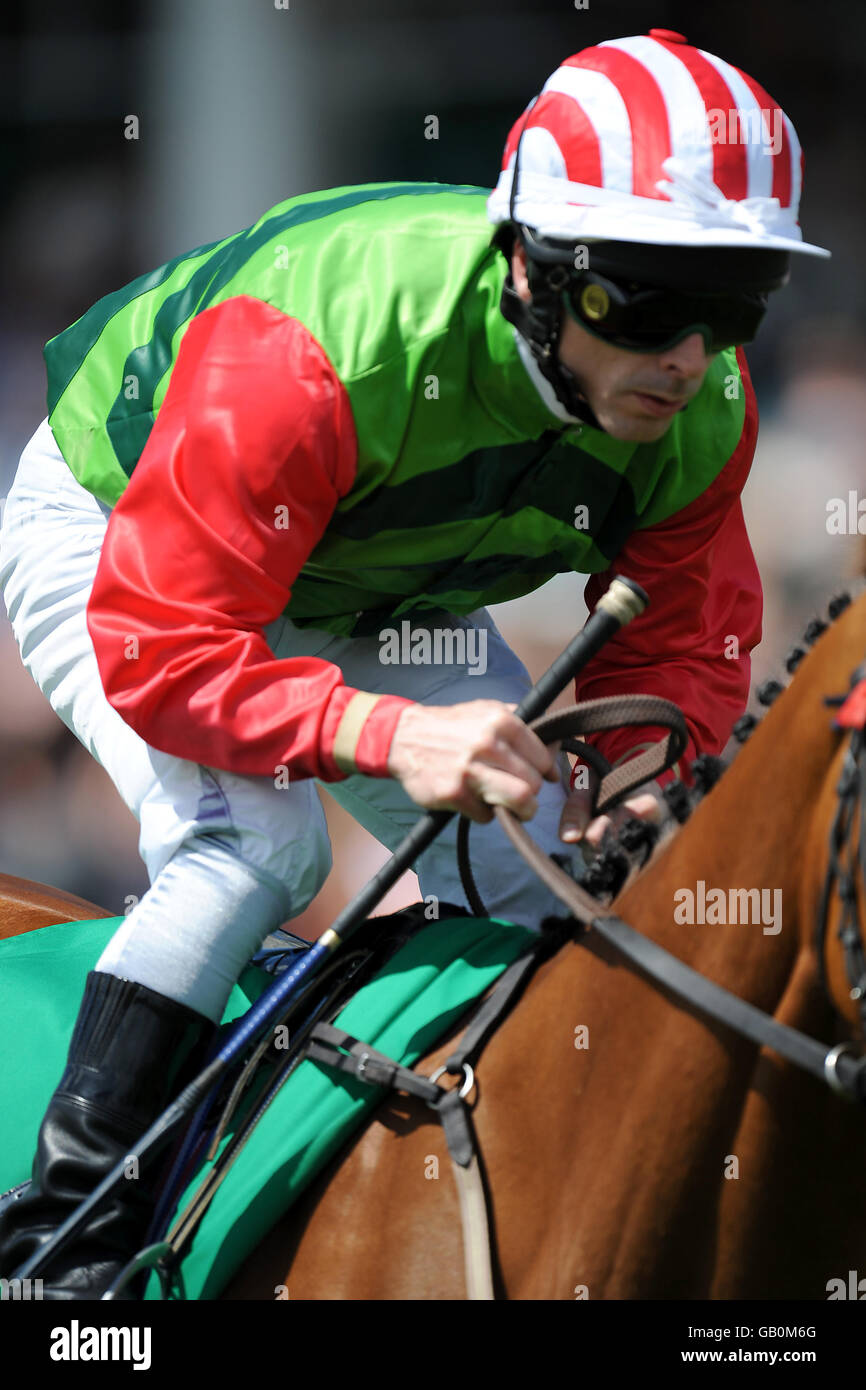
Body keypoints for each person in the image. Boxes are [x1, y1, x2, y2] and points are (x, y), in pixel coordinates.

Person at [0, 28, 828, 1298]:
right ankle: (59, 1240)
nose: (685, 357)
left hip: (370, 574)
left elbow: (683, 643)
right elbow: (166, 648)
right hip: (131, 540)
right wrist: (390, 735)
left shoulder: (700, 398)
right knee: (256, 851)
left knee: (546, 872)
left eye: (731, 305)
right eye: (647, 302)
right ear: (533, 273)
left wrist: (637, 770)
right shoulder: (307, 348)